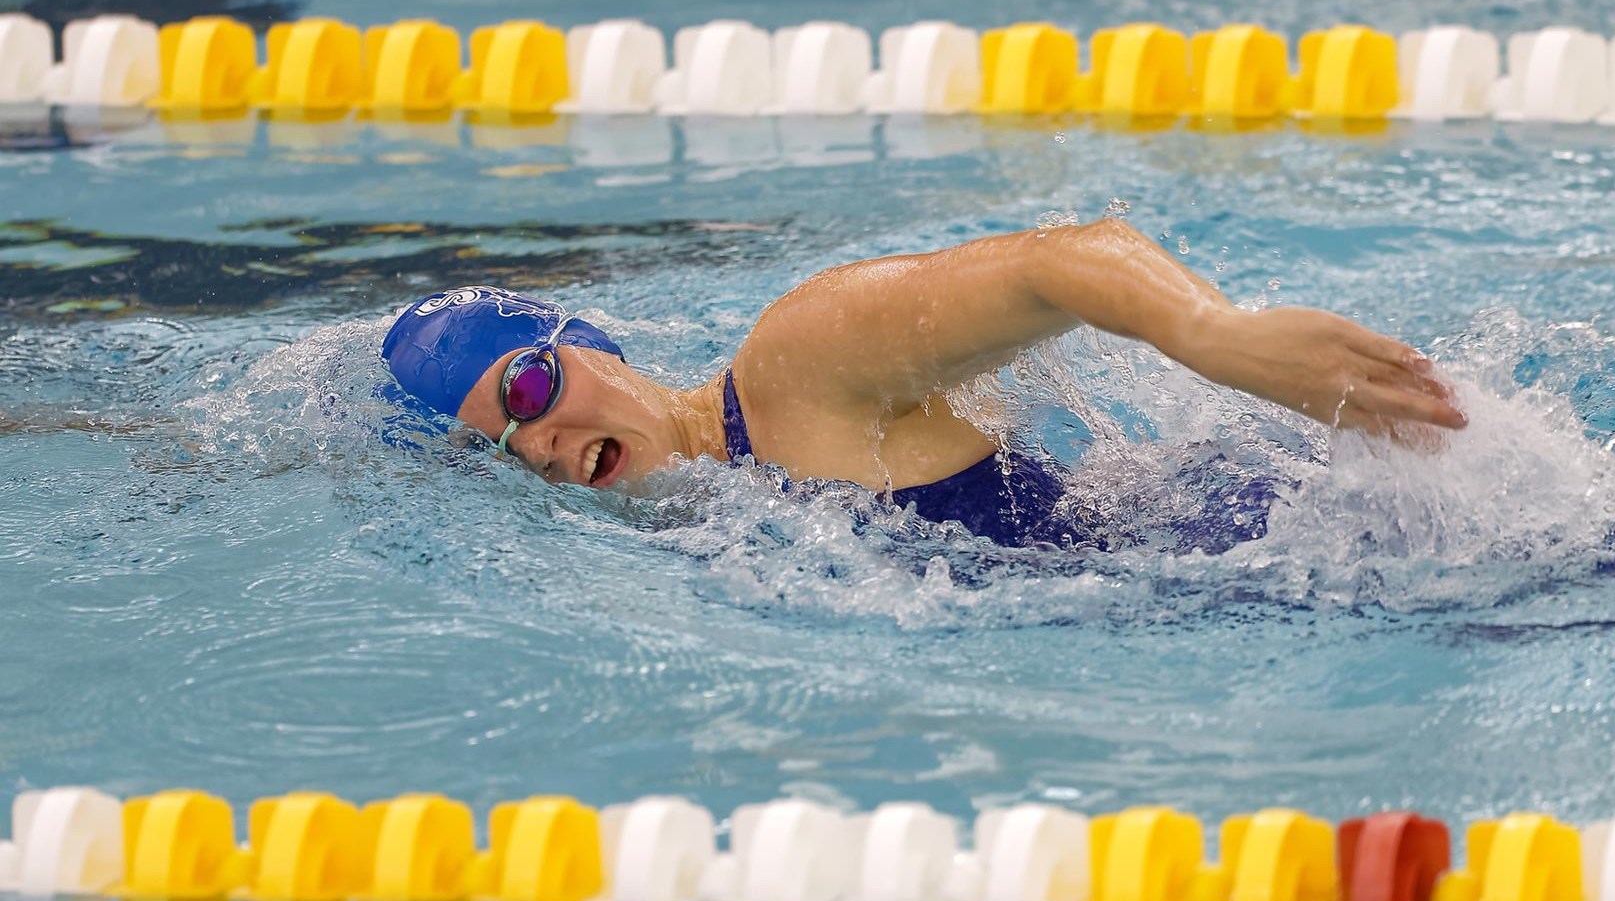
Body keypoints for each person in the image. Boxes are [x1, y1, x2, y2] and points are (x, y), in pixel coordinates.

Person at [381, 218, 1465, 548]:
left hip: (1319, 541)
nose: (533, 441)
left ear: (594, 349)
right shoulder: (704, 521)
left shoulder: (791, 368)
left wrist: (1215, 333)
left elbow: (1060, 259)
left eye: (523, 390)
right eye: (496, 445)